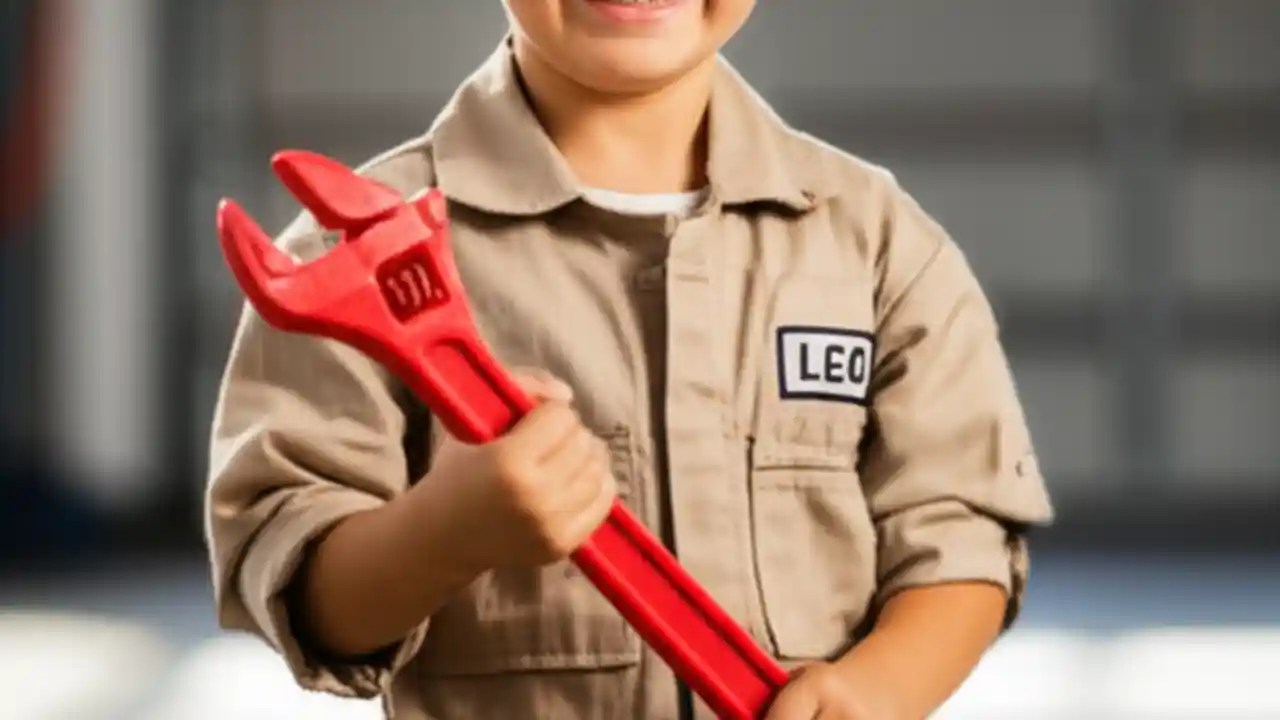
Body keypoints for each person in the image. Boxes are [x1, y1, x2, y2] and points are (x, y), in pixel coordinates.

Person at [205, 1, 1054, 718]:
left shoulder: (877, 242)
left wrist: (871, 693)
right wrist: (445, 532)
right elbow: (297, 584)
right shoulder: (358, 257)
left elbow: (959, 540)